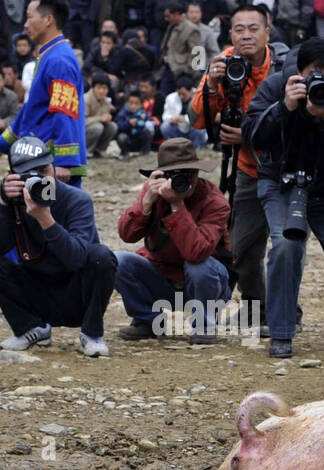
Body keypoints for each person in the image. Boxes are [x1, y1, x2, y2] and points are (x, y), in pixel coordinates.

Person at [243, 35, 324, 357]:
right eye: (315, 74)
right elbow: (251, 136)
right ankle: (282, 333)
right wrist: (285, 107)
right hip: (281, 184)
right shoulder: (278, 86)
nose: (323, 82)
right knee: (286, 248)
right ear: (300, 70)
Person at [191, 3, 280, 336]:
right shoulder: (225, 63)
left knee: (286, 249)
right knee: (242, 249)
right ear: (230, 34)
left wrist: (249, 134)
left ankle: (285, 312)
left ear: (267, 33)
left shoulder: (283, 67)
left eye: (253, 28)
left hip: (284, 170)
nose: (246, 35)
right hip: (246, 170)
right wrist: (212, 86)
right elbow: (194, 120)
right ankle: (257, 310)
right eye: (239, 29)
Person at [0, 136, 116, 356]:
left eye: (43, 171)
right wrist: (3, 204)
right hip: (36, 291)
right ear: (13, 176)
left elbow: (77, 259)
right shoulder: (11, 201)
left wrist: (46, 220)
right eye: (29, 175)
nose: (40, 181)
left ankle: (91, 333)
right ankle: (30, 328)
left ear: (53, 167)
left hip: (76, 294)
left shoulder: (77, 200)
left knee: (102, 256)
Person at [114, 137, 233, 343]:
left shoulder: (215, 202)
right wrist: (146, 203)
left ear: (197, 173)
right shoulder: (154, 191)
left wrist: (177, 206)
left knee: (199, 266)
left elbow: (197, 252)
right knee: (116, 261)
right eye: (173, 174)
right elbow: (127, 235)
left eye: (187, 173)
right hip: (163, 278)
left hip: (206, 285)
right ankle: (148, 321)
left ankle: (204, 326)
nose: (181, 181)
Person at [0, 1, 86, 185]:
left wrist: (65, 161)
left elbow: (64, 111)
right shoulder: (49, 54)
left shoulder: (59, 59)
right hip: (36, 155)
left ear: (48, 19)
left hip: (51, 163)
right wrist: (4, 142)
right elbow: (33, 107)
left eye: (30, 17)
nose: (25, 24)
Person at [158, 2, 201, 103]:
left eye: (168, 16)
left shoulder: (191, 29)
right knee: (166, 99)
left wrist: (188, 72)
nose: (166, 19)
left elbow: (197, 53)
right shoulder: (171, 26)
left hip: (182, 72)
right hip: (169, 68)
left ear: (177, 14)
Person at [160, 73, 205, 147]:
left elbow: (202, 117)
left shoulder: (200, 97)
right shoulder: (171, 97)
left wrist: (185, 119)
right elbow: (165, 116)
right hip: (177, 128)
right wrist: (171, 119)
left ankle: (197, 148)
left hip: (193, 128)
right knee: (165, 127)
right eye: (179, 94)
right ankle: (174, 147)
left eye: (183, 94)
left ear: (191, 90)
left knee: (199, 127)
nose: (181, 96)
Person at [84, 71, 118, 157]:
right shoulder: (85, 99)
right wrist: (100, 118)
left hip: (97, 126)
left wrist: (107, 118)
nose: (101, 91)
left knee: (112, 126)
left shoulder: (106, 101)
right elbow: (81, 122)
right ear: (93, 87)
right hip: (83, 131)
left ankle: (100, 150)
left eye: (104, 88)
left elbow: (104, 119)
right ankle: (86, 151)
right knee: (98, 127)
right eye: (99, 88)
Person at [114, 87, 154, 154]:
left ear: (141, 105)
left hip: (139, 140)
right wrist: (128, 123)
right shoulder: (122, 114)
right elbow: (118, 127)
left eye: (136, 104)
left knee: (147, 132)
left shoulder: (143, 114)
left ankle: (145, 151)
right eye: (131, 103)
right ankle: (125, 153)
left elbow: (151, 124)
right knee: (121, 137)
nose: (133, 106)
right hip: (128, 140)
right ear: (126, 103)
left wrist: (147, 124)